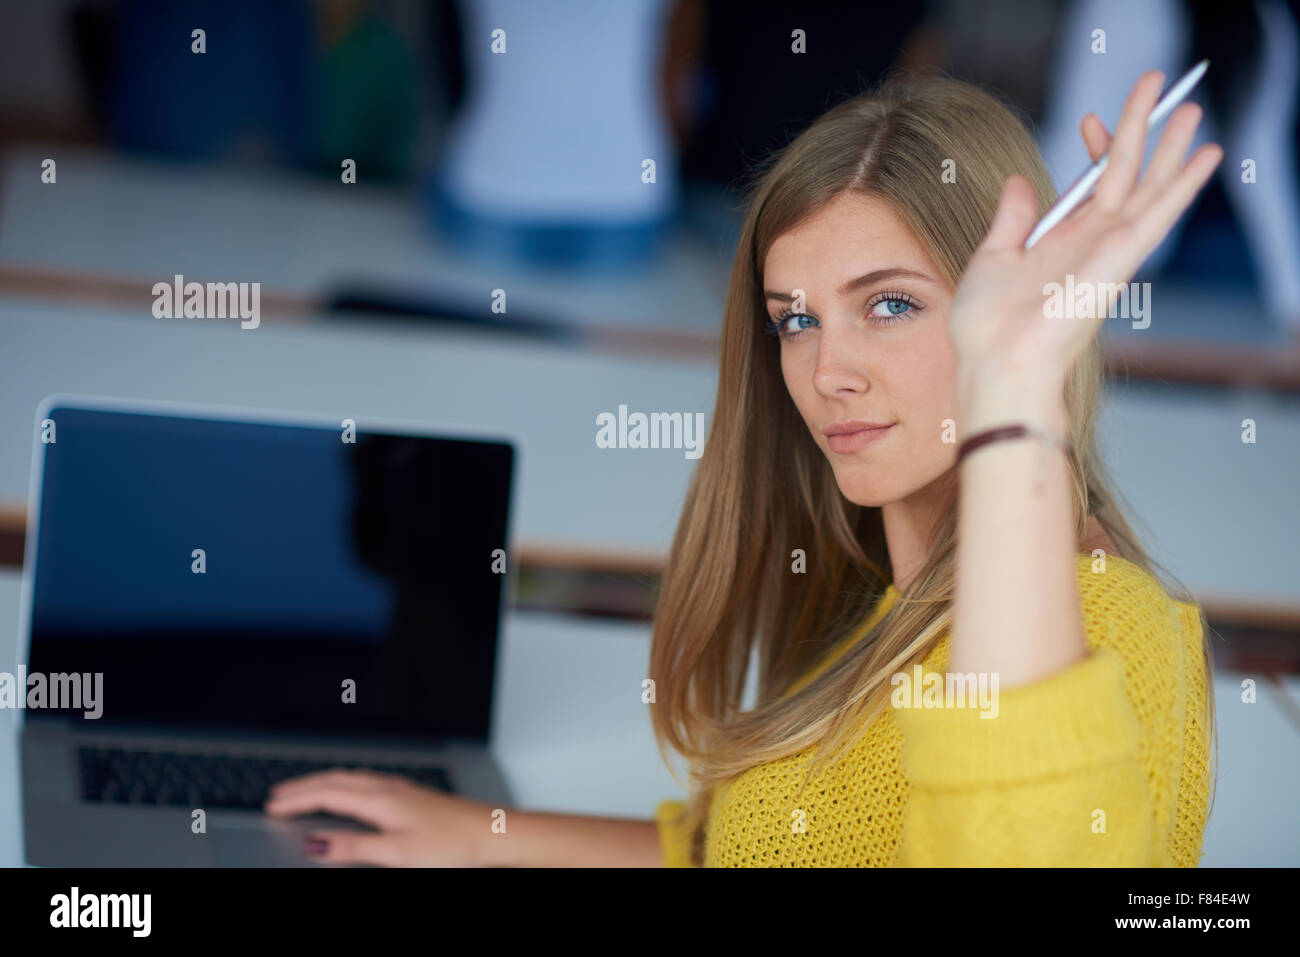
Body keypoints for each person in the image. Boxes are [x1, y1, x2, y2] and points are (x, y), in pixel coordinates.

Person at [263, 70, 1221, 867]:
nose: (825, 371)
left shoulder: (1104, 622)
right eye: (795, 318)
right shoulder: (877, 587)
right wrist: (483, 834)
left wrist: (1015, 395)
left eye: (889, 305)